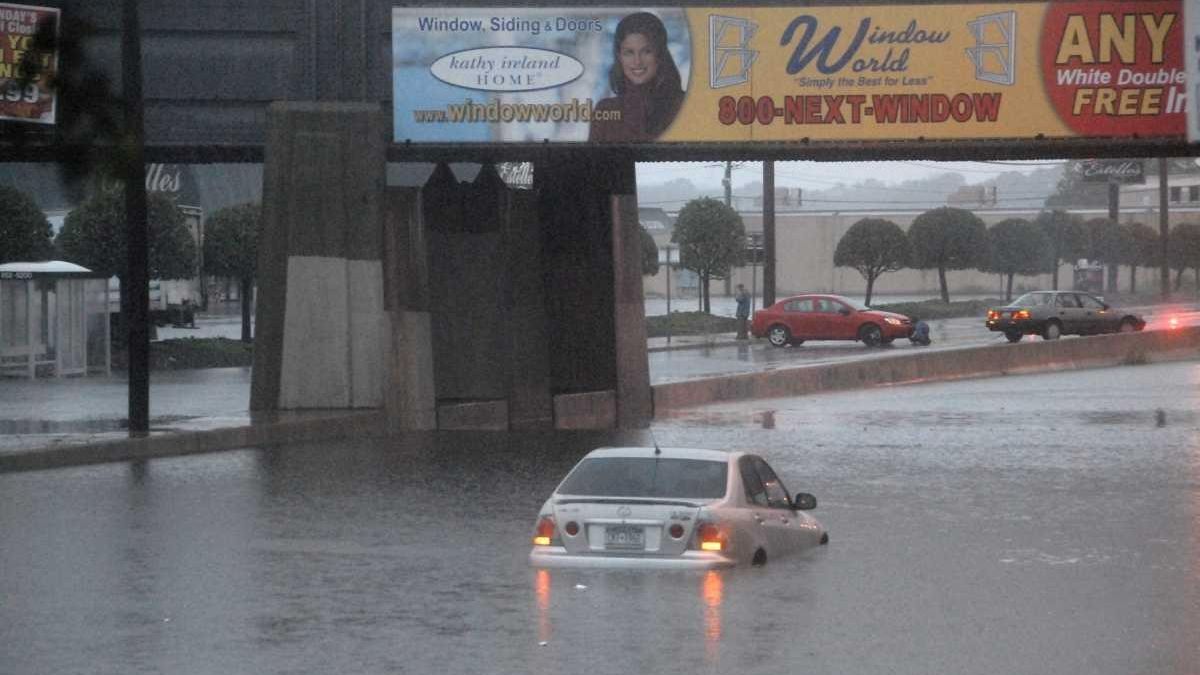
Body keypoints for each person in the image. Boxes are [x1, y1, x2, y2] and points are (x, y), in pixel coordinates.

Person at [588, 12, 685, 143]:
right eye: (629, 52)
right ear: (619, 57)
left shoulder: (682, 105)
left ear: (660, 54)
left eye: (646, 51)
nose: (637, 61)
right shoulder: (606, 110)